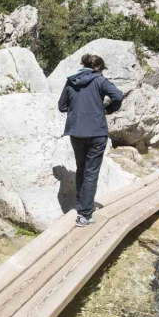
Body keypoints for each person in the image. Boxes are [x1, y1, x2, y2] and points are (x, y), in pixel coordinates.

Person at [57, 53, 124, 227]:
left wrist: (78, 108)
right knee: (91, 173)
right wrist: (106, 109)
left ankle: (81, 205)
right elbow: (118, 96)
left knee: (81, 168)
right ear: (98, 68)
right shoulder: (100, 80)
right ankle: (85, 215)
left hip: (76, 132)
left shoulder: (71, 81)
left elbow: (61, 106)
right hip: (96, 133)